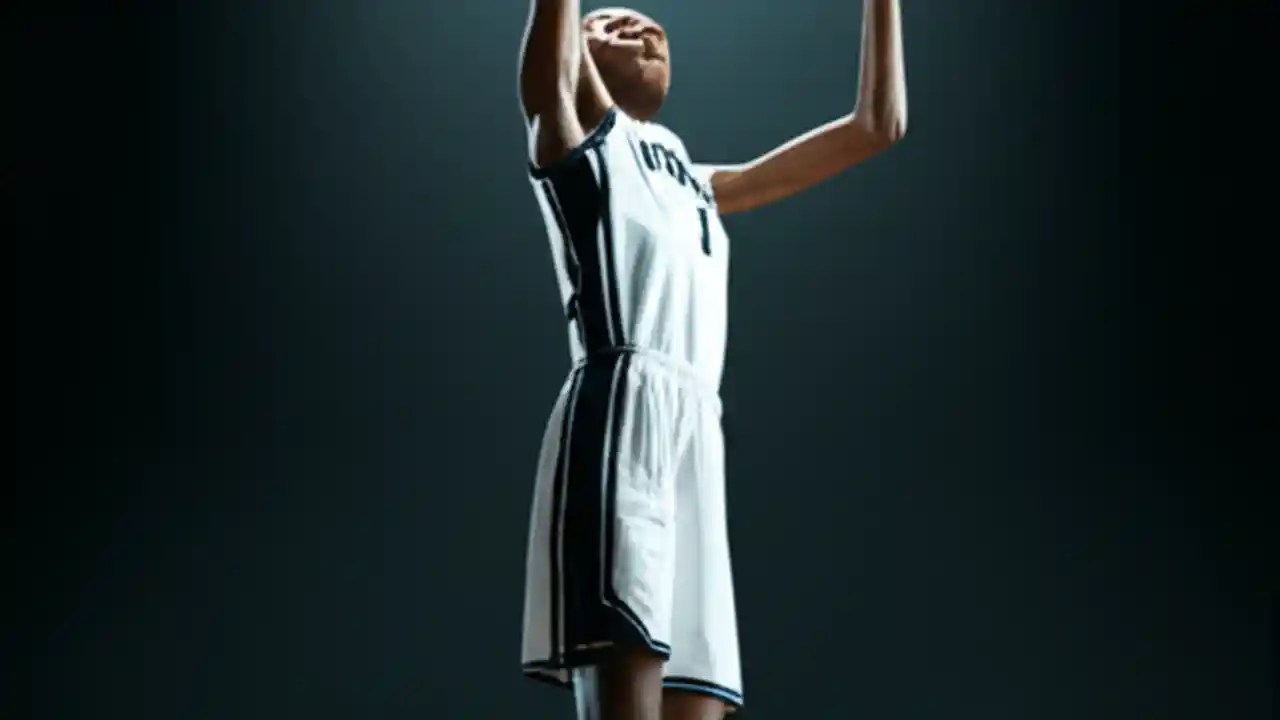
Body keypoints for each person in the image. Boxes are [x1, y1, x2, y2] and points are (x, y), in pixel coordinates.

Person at [518, 2, 907, 718]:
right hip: (623, 416)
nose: (643, 27)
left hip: (698, 432)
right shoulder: (578, 141)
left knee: (700, 701)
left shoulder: (698, 181)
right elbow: (546, 84)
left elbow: (877, 126)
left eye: (649, 24)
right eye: (609, 21)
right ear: (570, 41)